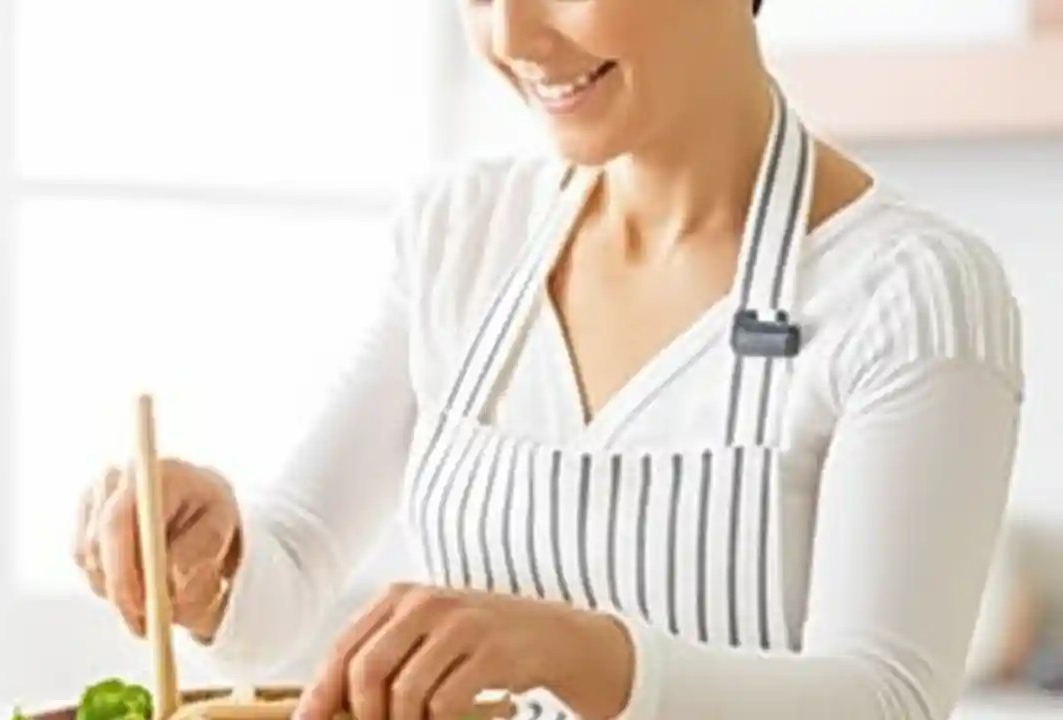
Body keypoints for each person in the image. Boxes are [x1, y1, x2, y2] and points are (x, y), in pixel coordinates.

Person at [72, 0, 1025, 717]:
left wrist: (582, 654)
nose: (515, 37)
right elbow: (281, 586)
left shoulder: (909, 293)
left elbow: (884, 699)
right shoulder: (465, 236)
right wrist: (208, 557)